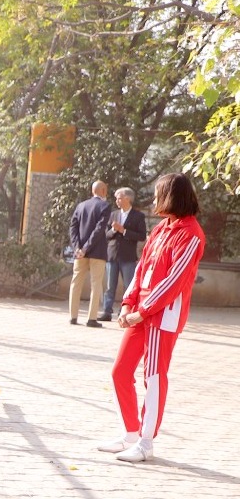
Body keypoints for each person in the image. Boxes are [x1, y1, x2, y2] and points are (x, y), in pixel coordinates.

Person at [97, 173, 205, 463]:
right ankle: (130, 435)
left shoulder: (191, 234)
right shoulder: (161, 230)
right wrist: (127, 304)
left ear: (172, 196)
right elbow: (142, 269)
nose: (155, 200)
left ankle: (145, 443)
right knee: (120, 371)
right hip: (139, 313)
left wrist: (141, 312)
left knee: (153, 378)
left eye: (159, 194)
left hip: (162, 317)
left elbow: (174, 282)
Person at [98, 187, 146, 321]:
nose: (117, 201)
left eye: (119, 198)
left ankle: (124, 312)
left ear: (127, 199)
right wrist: (114, 230)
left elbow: (142, 236)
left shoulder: (138, 216)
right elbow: (106, 235)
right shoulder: (113, 215)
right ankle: (107, 311)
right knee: (109, 286)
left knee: (128, 286)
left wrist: (124, 231)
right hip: (112, 255)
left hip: (128, 256)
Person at [68, 180, 111, 327]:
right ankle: (91, 318)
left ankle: (72, 317)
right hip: (97, 252)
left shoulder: (81, 206)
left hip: (80, 253)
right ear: (104, 191)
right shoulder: (105, 206)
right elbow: (99, 230)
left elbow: (73, 228)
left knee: (76, 283)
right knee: (96, 284)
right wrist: (86, 247)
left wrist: (77, 247)